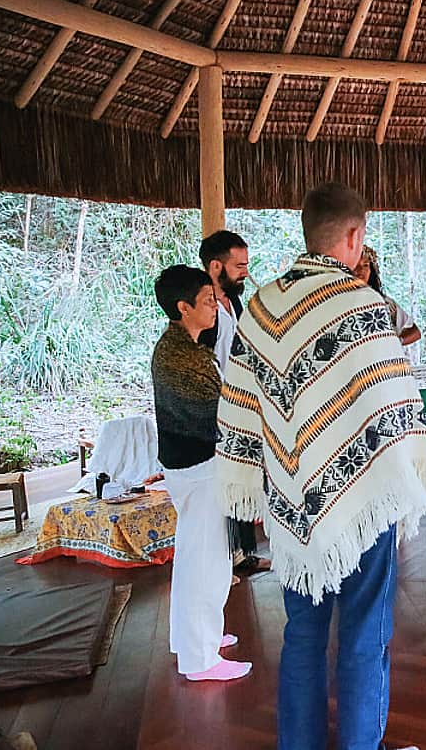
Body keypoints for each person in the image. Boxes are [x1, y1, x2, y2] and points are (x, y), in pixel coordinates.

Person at [215, 183, 426, 750]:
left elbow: (242, 409)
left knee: (303, 636)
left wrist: (268, 488)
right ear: (354, 236)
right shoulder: (363, 305)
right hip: (362, 502)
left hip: (293, 508)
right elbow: (394, 406)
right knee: (365, 634)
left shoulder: (263, 307)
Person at [151, 264, 251, 682]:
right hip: (197, 467)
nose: (215, 307)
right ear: (183, 307)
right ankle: (200, 658)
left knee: (205, 558)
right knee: (204, 562)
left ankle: (196, 637)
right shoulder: (180, 359)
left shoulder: (185, 347)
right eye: (208, 301)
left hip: (195, 465)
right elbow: (213, 416)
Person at [198, 229, 269, 577]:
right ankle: (228, 558)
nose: (245, 271)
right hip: (215, 405)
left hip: (240, 403)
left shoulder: (234, 301)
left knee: (241, 474)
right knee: (223, 478)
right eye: (239, 265)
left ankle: (245, 554)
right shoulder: (201, 306)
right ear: (215, 266)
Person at [354, 245, 422, 346]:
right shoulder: (337, 301)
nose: (361, 270)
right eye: (355, 265)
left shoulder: (385, 302)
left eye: (366, 265)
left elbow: (415, 332)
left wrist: (395, 343)